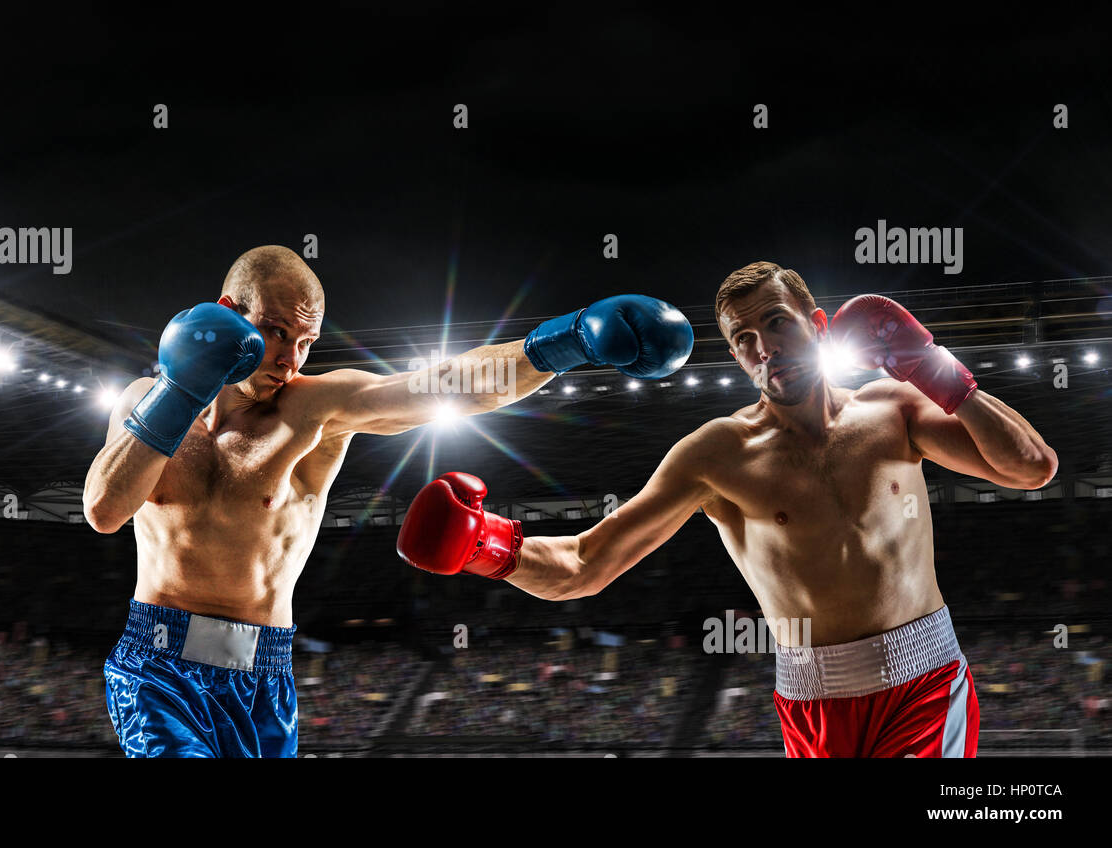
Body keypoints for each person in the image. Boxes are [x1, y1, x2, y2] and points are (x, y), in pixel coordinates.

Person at [396, 260, 1058, 758]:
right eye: (743, 338)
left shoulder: (896, 408)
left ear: (817, 324)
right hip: (809, 700)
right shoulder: (716, 454)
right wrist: (486, 545)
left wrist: (935, 369)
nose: (765, 348)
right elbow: (585, 563)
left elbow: (1030, 467)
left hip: (922, 680)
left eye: (776, 323)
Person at [83, 244, 694, 757]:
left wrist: (567, 343)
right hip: (156, 664)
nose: (290, 359)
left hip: (261, 672)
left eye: (306, 341)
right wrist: (178, 388)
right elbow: (104, 510)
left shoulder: (316, 408)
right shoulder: (145, 395)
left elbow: (450, 387)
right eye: (274, 332)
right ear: (228, 315)